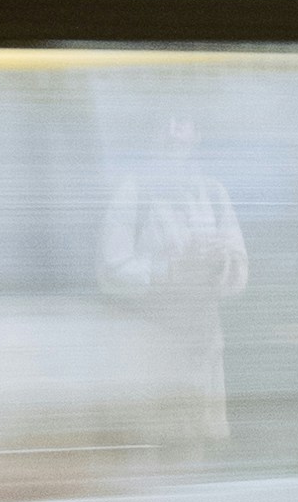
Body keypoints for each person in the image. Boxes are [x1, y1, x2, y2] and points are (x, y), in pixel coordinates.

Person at [98, 90, 248, 453]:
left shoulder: (213, 194)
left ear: (194, 135)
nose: (173, 133)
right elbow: (110, 270)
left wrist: (218, 262)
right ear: (151, 136)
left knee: (200, 447)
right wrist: (166, 270)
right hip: (153, 347)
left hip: (203, 349)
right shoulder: (132, 192)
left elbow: (240, 270)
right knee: (159, 447)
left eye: (182, 124)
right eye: (164, 125)